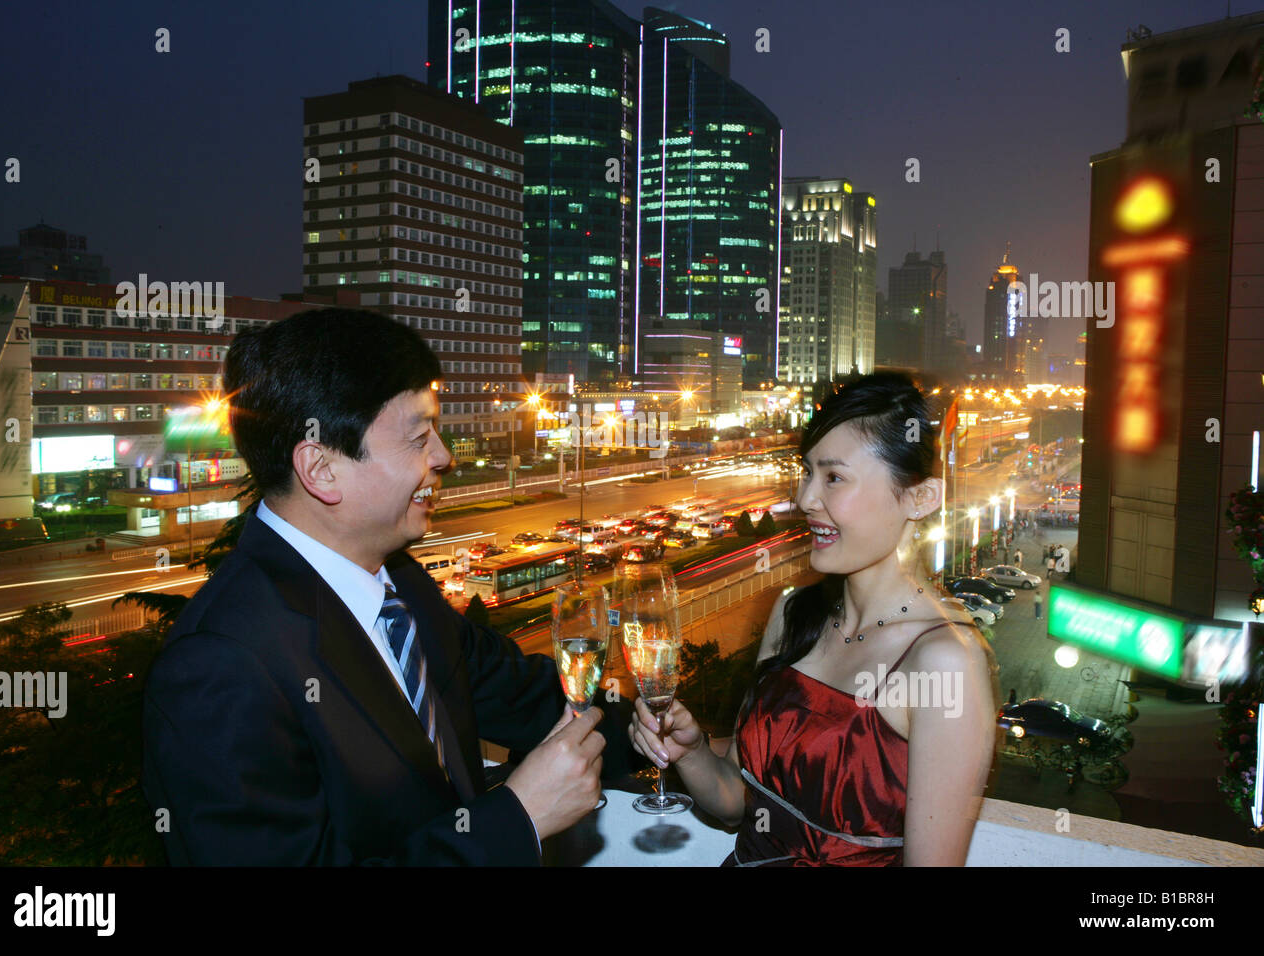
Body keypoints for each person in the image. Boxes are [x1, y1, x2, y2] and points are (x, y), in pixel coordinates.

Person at [142, 308, 633, 865]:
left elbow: (527, 698)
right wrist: (516, 820)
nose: (444, 457)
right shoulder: (219, 665)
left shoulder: (400, 582)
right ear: (321, 469)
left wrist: (653, 735)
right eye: (419, 438)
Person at [629, 374, 998, 866]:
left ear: (919, 497)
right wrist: (690, 753)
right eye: (806, 472)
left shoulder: (944, 662)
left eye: (834, 477)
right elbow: (741, 804)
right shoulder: (793, 612)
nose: (805, 499)